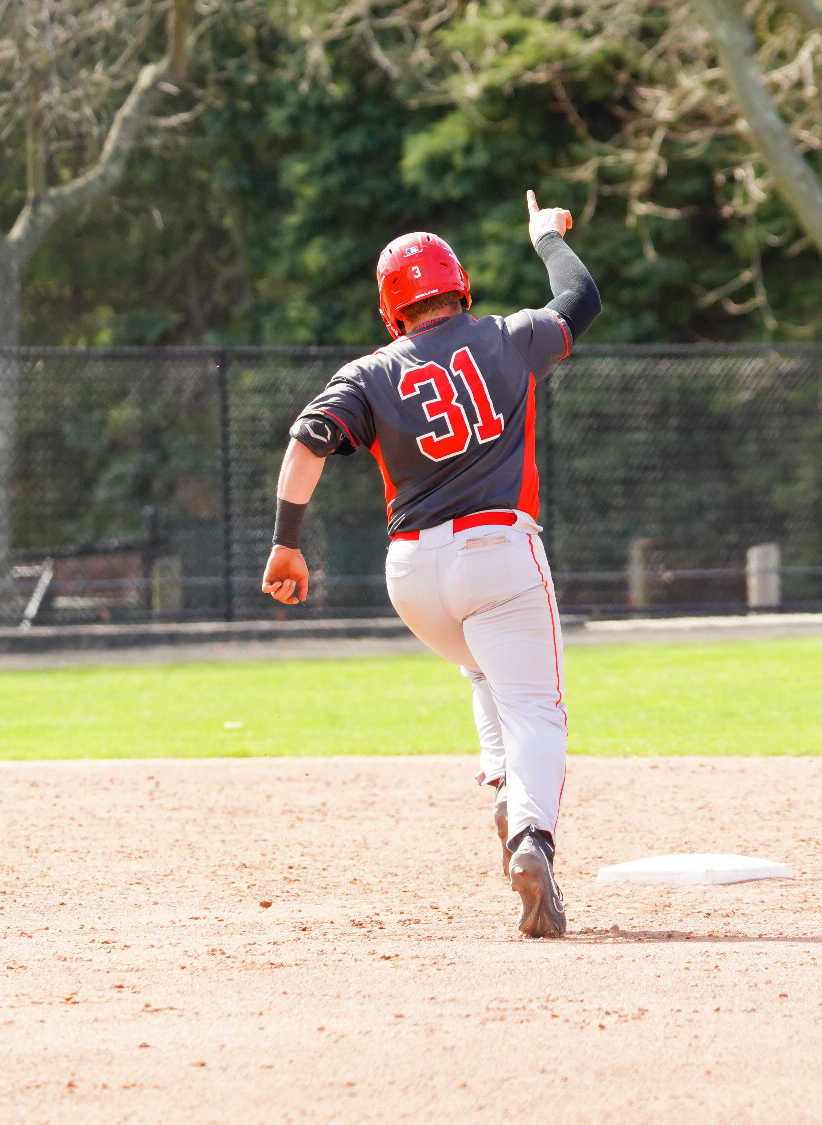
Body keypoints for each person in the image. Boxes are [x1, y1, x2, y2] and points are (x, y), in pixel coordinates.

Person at [260, 191, 600, 938]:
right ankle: (530, 838)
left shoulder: (368, 372)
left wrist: (287, 541)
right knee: (539, 710)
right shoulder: (509, 338)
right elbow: (581, 297)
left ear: (391, 310)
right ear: (460, 284)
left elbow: (308, 439)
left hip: (412, 574)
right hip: (498, 551)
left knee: (482, 667)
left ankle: (504, 783)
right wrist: (545, 237)